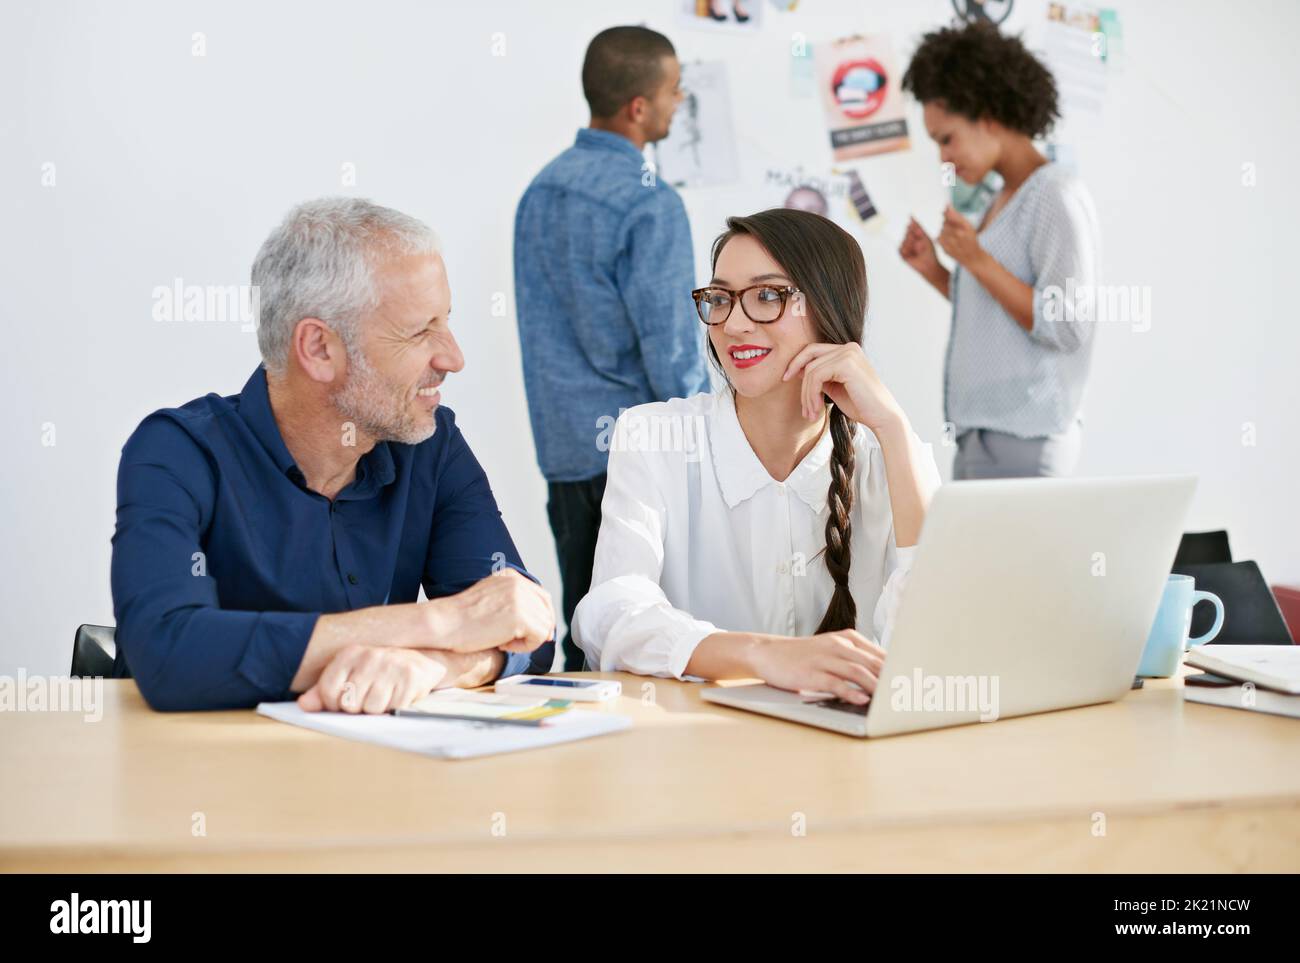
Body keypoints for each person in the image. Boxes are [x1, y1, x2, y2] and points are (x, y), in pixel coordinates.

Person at [111, 198, 556, 712]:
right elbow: (170, 654)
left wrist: (434, 666)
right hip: (195, 778)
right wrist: (436, 623)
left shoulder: (432, 445)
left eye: (446, 321)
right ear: (319, 348)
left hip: (364, 775)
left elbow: (524, 629)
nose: (453, 358)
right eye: (420, 331)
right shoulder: (176, 450)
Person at [573, 210, 940, 705]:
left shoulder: (891, 453)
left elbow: (939, 643)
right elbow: (611, 614)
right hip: (701, 754)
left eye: (768, 296)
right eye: (720, 298)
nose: (734, 324)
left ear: (830, 308)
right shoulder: (655, 436)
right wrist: (764, 655)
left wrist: (894, 428)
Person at [514, 25, 710, 670]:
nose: (679, 102)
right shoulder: (650, 203)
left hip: (567, 453)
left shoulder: (539, 191)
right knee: (663, 638)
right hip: (641, 458)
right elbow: (672, 352)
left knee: (590, 630)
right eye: (673, 90)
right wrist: (712, 440)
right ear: (639, 107)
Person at [899, 21, 1101, 479]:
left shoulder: (1054, 194)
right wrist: (936, 270)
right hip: (983, 435)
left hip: (1026, 436)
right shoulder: (1002, 198)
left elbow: (1066, 325)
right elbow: (997, 314)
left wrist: (976, 259)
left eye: (946, 138)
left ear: (987, 113)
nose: (943, 158)